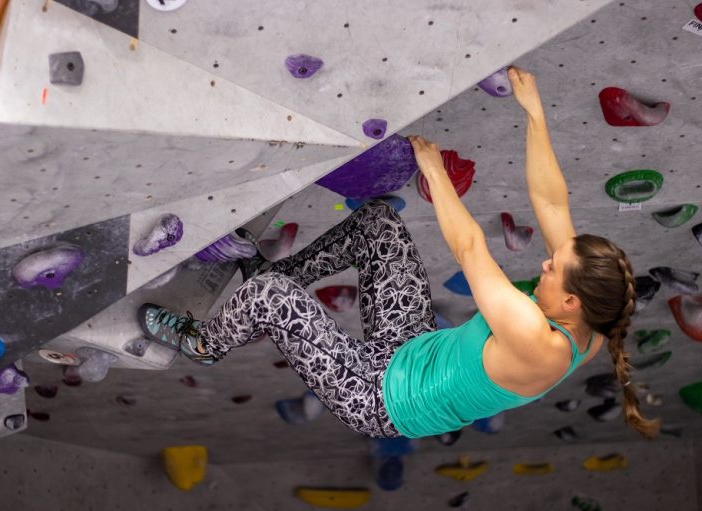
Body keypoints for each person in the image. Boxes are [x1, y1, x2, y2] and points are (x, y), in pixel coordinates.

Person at [138, 66, 659, 440]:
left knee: (271, 298)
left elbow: (470, 247)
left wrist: (432, 168)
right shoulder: (587, 313)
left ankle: (203, 343)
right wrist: (535, 116)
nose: (545, 262)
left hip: (377, 399)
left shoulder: (534, 337)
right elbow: (550, 200)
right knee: (378, 224)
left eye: (553, 271)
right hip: (411, 349)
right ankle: (279, 275)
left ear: (570, 304)